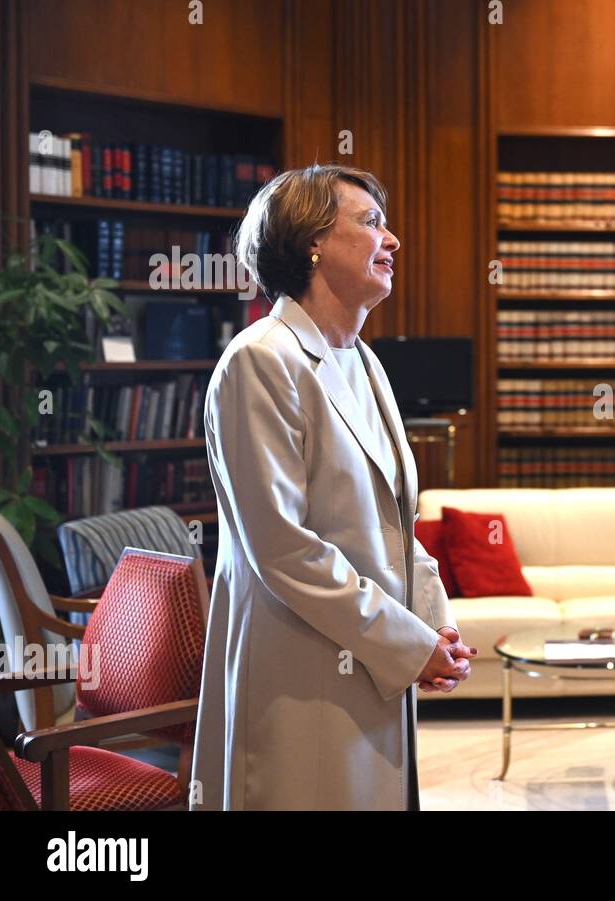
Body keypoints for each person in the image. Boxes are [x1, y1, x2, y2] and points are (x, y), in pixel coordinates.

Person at [191, 164, 476, 810]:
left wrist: (436, 626)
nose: (394, 239)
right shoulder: (261, 360)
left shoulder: (365, 361)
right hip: (302, 683)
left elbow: (396, 522)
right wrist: (408, 644)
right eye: (371, 222)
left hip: (372, 672)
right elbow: (285, 550)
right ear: (312, 241)